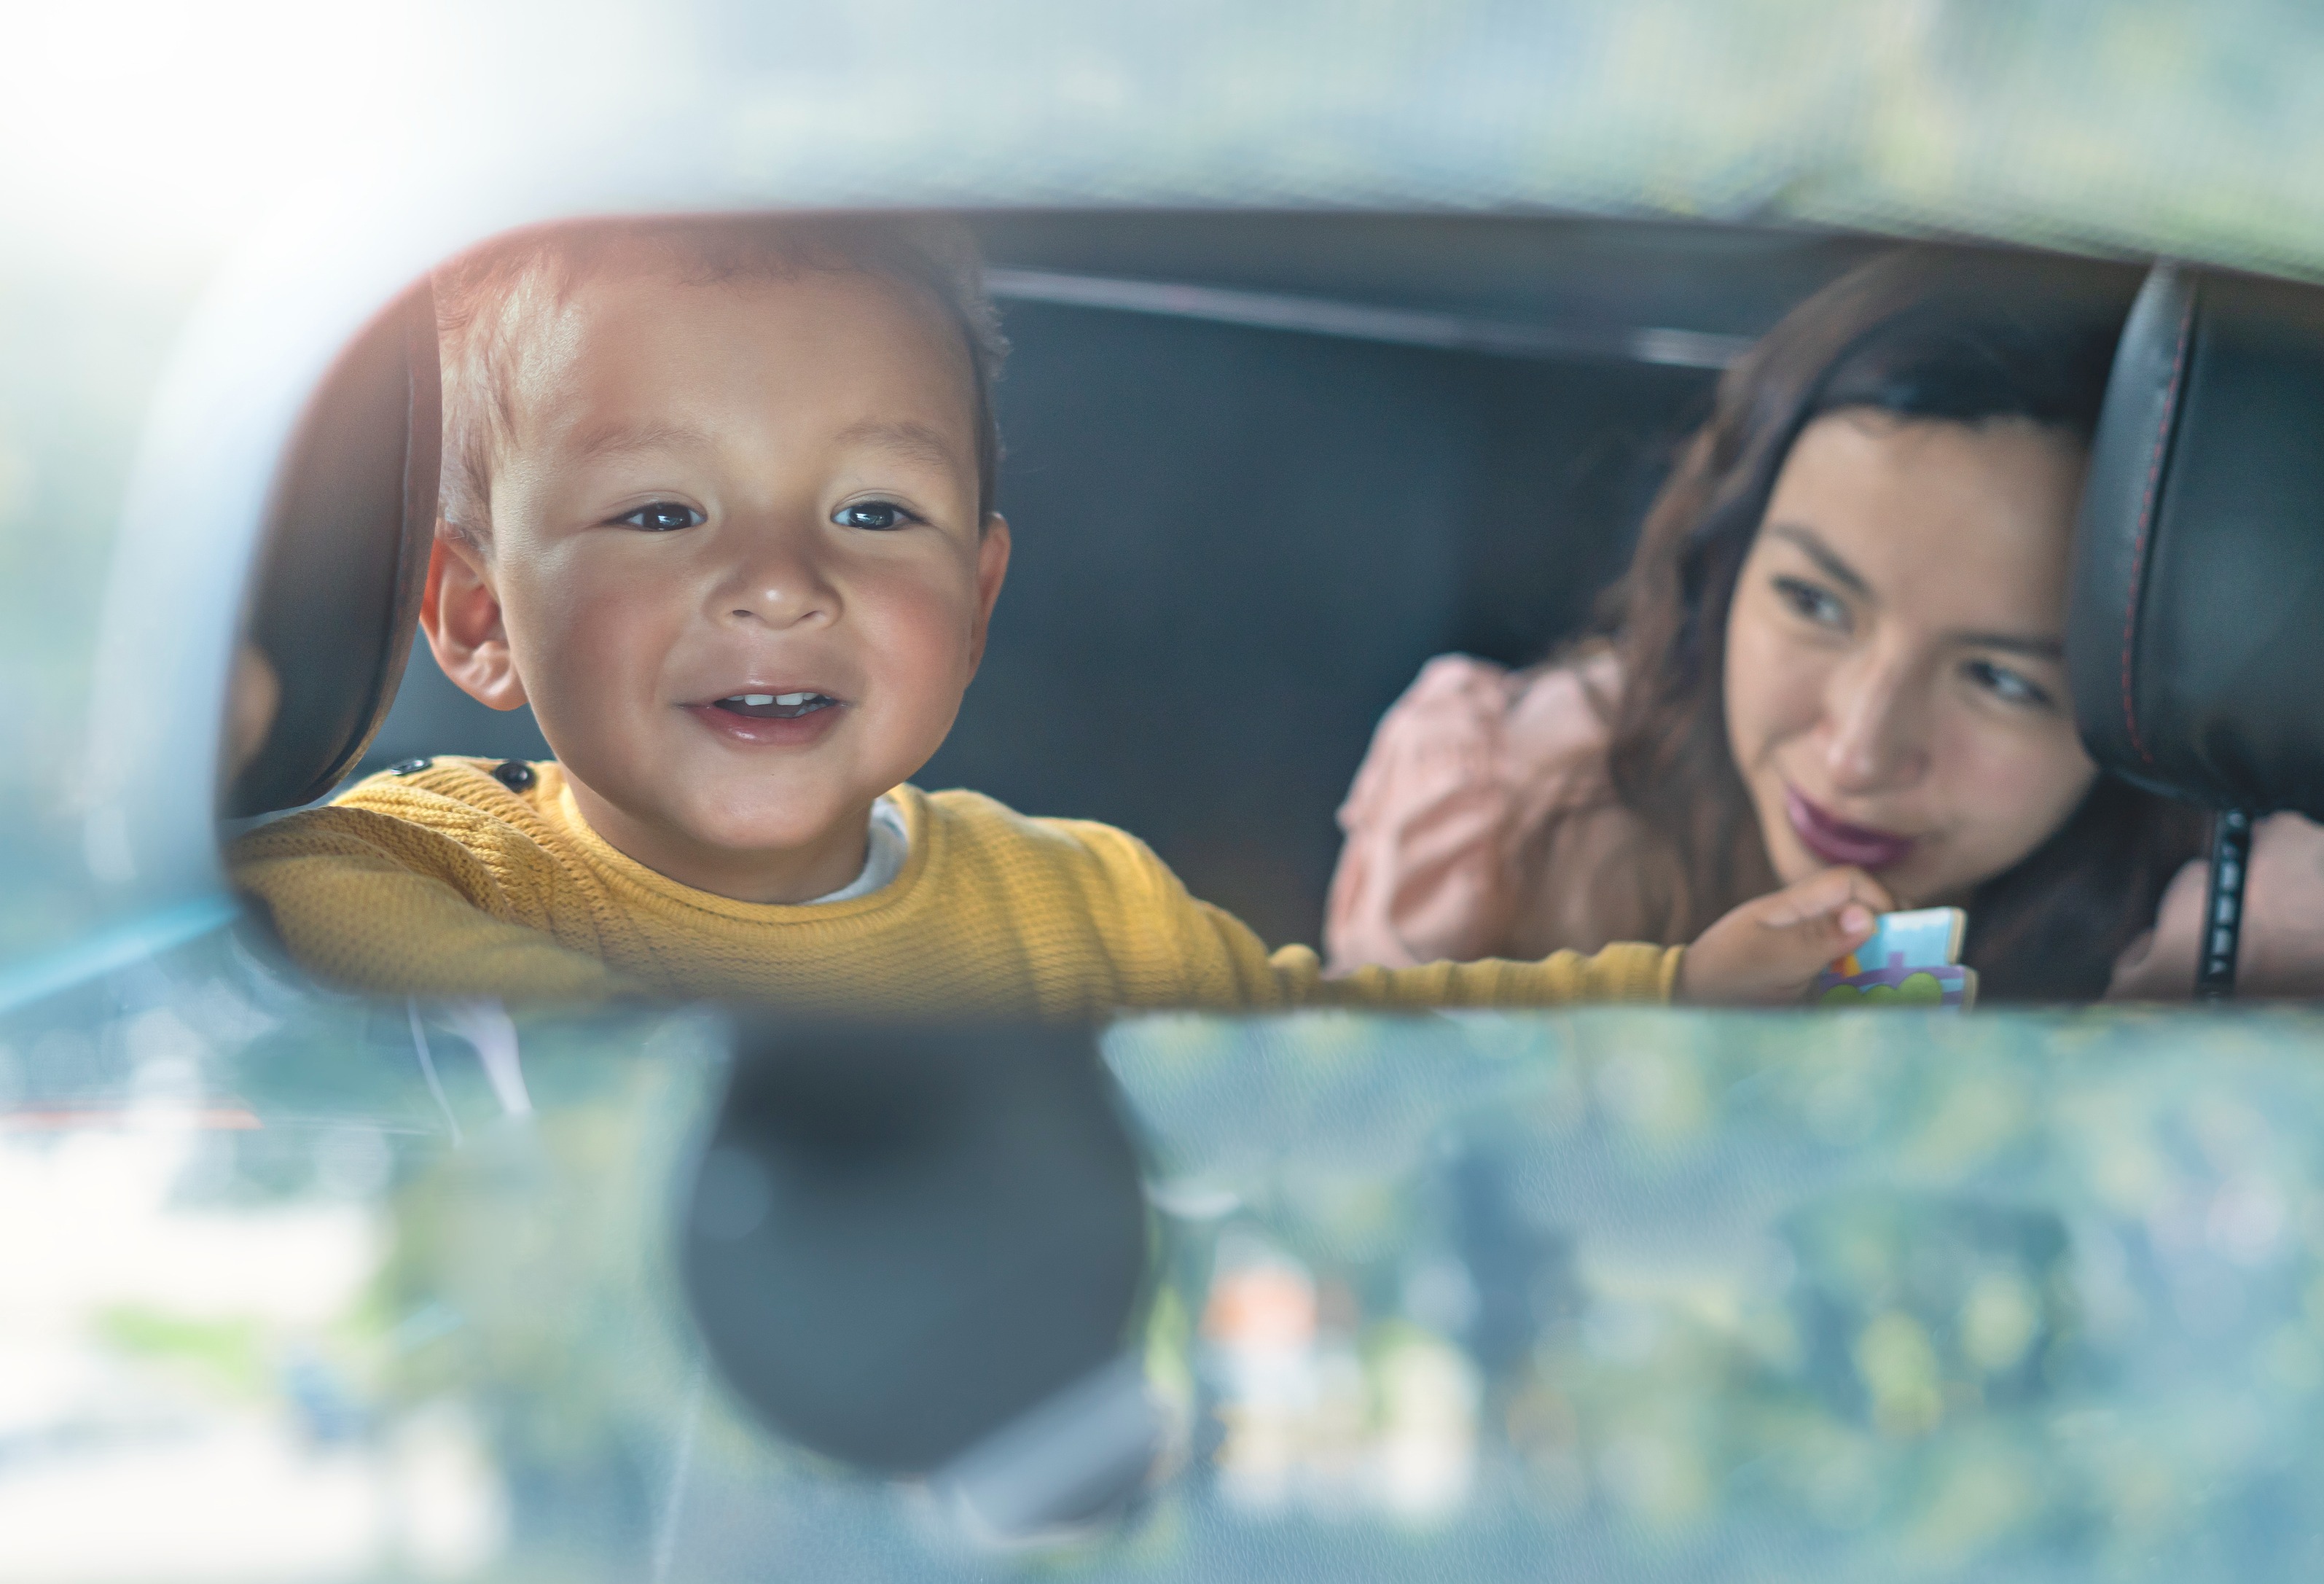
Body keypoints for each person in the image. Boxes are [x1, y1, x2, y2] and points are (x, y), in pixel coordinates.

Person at [228, 215, 1893, 1020]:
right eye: (662, 511)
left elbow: (1345, 1038)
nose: (782, 579)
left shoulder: (1084, 908)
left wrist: (1671, 991)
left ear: (977, 595)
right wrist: (645, 1036)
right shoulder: (438, 865)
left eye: (876, 513)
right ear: (475, 617)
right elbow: (267, 882)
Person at [1327, 250, 2324, 1002]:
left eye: (2001, 680)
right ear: (1721, 565)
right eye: (1813, 603)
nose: (1858, 750)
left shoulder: (2243, 897)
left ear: (2144, 700)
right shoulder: (1511, 807)